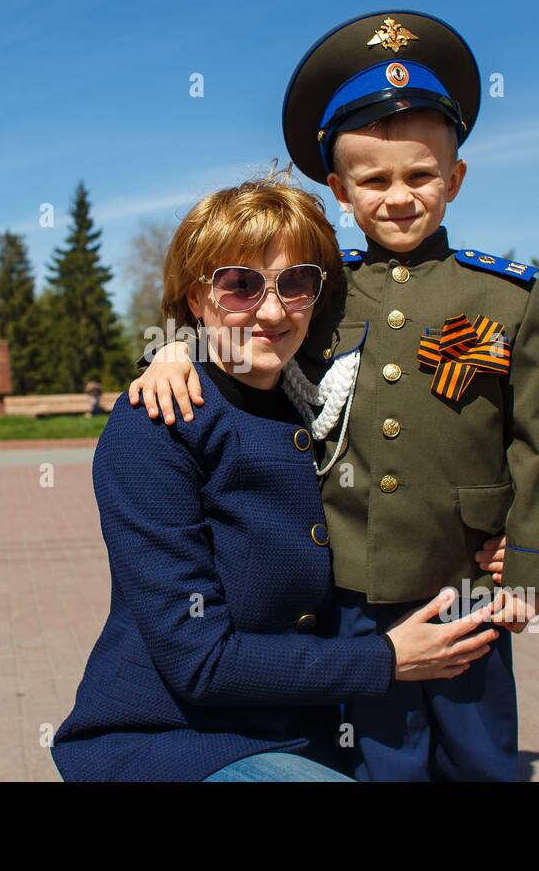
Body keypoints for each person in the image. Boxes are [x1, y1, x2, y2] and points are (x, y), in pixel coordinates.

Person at [130, 11, 539, 782]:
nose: (399, 197)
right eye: (374, 180)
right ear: (339, 190)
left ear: (456, 178)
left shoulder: (508, 296)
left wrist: (533, 564)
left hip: (467, 576)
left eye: (421, 175)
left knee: (481, 756)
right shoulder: (322, 291)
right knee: (382, 759)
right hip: (354, 586)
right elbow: (253, 339)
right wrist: (175, 349)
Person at [52, 178, 505, 782]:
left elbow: (418, 472)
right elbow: (200, 660)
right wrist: (384, 660)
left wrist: (494, 539)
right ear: (197, 297)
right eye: (239, 284)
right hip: (176, 741)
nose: (271, 310)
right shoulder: (158, 424)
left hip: (309, 734)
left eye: (295, 283)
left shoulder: (320, 408)